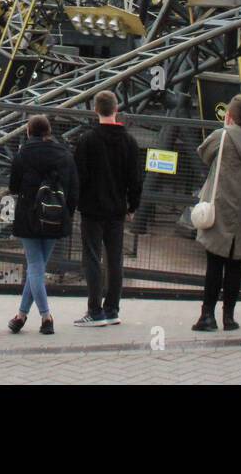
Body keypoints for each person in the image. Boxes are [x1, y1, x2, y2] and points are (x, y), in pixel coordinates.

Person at [192, 95, 241, 332]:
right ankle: (229, 318)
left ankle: (207, 316)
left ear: (230, 114)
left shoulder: (221, 135)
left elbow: (204, 155)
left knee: (214, 263)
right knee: (235, 265)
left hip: (221, 207)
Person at [72, 89, 144, 327]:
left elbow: (78, 177)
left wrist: (76, 202)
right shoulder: (129, 141)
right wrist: (132, 205)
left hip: (92, 209)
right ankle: (112, 308)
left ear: (95, 110)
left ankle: (94, 310)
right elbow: (135, 179)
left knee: (92, 258)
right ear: (116, 109)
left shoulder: (86, 140)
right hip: (117, 209)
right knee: (115, 259)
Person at [7, 114, 79, 335]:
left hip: (29, 216)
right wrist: (68, 212)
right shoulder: (64, 155)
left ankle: (46, 317)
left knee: (35, 267)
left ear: (29, 131)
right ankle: (20, 316)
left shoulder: (23, 154)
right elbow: (74, 187)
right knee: (37, 268)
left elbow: (13, 186)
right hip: (55, 216)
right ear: (49, 131)